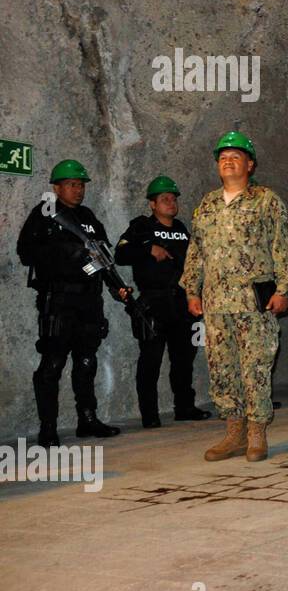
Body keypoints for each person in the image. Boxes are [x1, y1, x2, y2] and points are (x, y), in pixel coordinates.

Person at [181, 131, 288, 462]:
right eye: (223, 157)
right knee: (222, 369)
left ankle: (257, 432)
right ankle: (234, 432)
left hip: (253, 303)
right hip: (216, 304)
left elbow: (283, 247)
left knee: (256, 367)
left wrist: (284, 289)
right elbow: (196, 251)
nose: (228, 161)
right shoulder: (208, 204)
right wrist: (192, 290)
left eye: (236, 156)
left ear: (250, 164)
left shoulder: (266, 200)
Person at [16, 159, 126, 446]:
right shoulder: (45, 212)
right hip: (59, 299)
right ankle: (48, 427)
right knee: (52, 364)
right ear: (56, 187)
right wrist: (68, 252)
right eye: (72, 184)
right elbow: (26, 252)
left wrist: (118, 288)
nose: (78, 190)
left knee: (87, 361)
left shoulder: (88, 216)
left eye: (81, 185)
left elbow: (102, 256)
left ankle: (87, 419)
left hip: (89, 300)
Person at [113, 175, 209, 427]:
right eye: (164, 198)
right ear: (152, 204)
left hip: (180, 302)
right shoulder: (141, 227)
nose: (170, 202)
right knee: (150, 361)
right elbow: (120, 255)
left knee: (183, 359)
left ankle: (185, 407)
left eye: (173, 198)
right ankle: (150, 415)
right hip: (153, 303)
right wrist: (148, 249)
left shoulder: (181, 230)